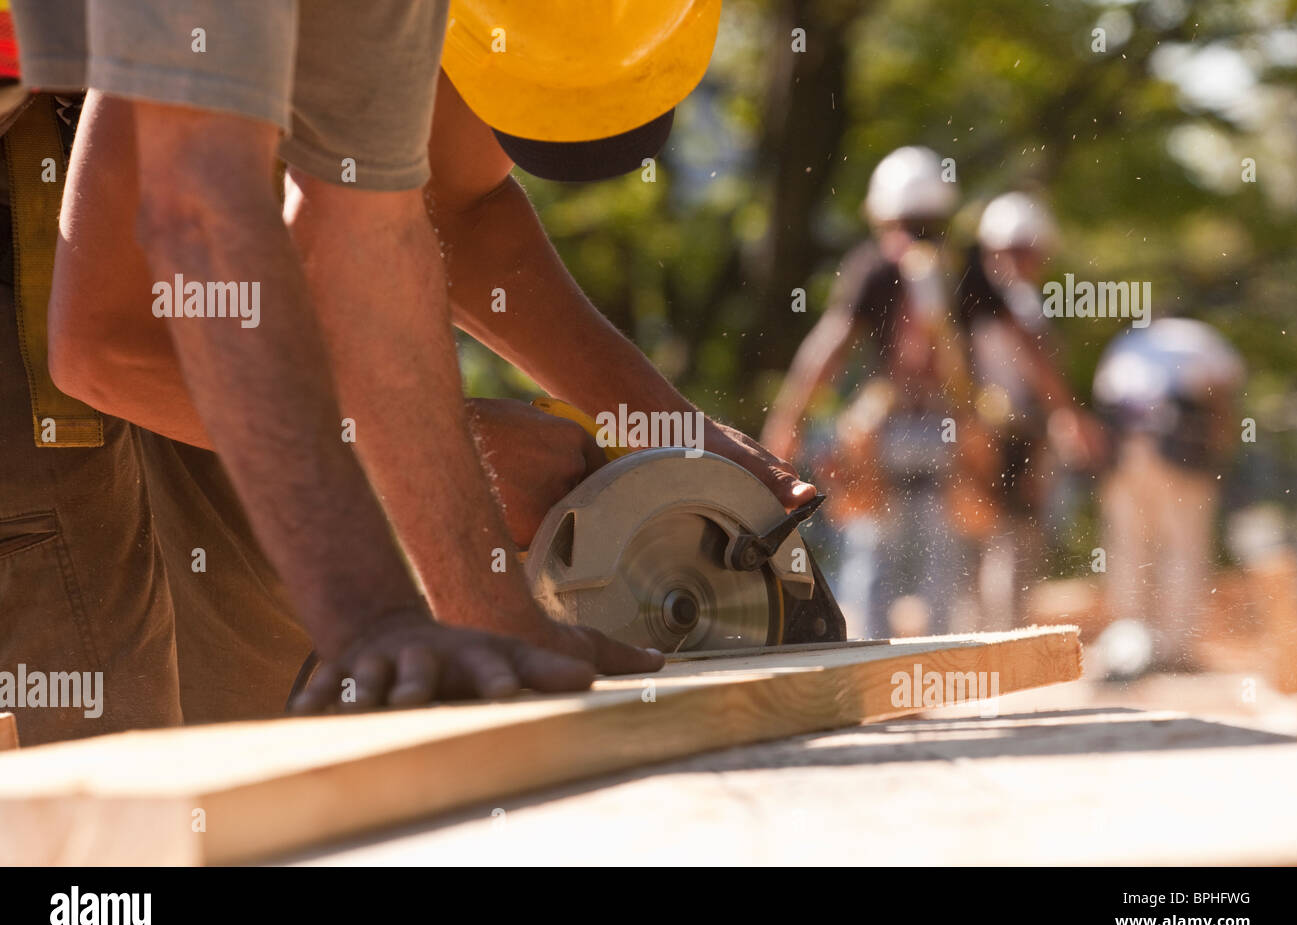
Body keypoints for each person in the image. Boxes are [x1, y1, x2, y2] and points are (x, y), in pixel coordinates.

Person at [2, 3, 811, 741]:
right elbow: (111, 333)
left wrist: (666, 428)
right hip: (35, 172)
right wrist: (451, 467)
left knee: (260, 698)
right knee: (107, 724)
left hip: (135, 131)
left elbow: (422, 215)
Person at [762, 146, 975, 639]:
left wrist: (786, 424)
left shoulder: (874, 266)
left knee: (872, 548)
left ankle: (873, 663)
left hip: (885, 428)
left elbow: (828, 349)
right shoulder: (966, 267)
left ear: (881, 211)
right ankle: (942, 664)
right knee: (943, 553)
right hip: (949, 429)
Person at [955, 191, 1104, 628]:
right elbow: (1039, 364)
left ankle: (977, 635)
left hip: (977, 428)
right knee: (1015, 535)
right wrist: (1070, 417)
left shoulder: (970, 303)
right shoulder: (1017, 300)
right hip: (1017, 431)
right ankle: (1006, 637)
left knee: (981, 537)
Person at [1091, 318, 1245, 676]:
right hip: (1177, 451)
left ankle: (1129, 648)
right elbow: (1221, 395)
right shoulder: (1200, 338)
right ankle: (1174, 650)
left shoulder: (1127, 342)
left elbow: (1106, 401)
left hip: (1123, 452)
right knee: (1183, 550)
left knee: (1128, 548)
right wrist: (1220, 452)